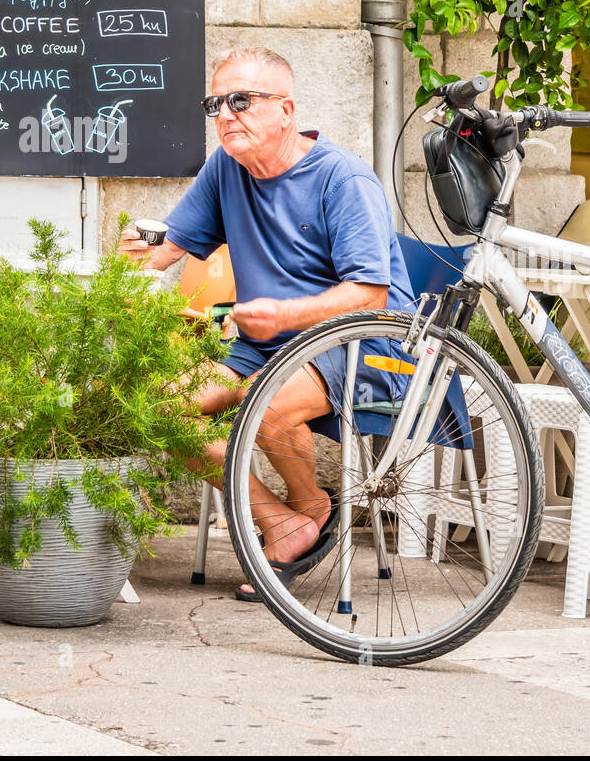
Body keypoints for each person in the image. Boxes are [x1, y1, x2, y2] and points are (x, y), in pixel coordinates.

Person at [120, 46, 414, 601]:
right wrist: (137, 254)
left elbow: (371, 292)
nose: (225, 115)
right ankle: (283, 520)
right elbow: (167, 250)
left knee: (267, 401)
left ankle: (311, 506)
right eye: (216, 103)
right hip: (267, 345)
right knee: (160, 409)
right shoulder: (227, 168)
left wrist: (283, 313)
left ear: (285, 110)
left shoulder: (342, 178)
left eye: (241, 101)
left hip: (371, 341)